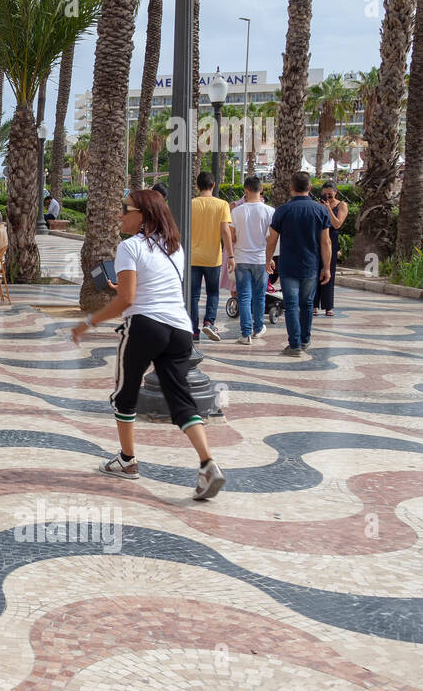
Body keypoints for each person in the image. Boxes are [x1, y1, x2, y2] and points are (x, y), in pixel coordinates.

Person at [71, 189, 226, 500]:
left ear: (142, 215)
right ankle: (208, 464)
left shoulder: (130, 247)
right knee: (181, 401)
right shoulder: (175, 247)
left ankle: (127, 461)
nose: (119, 215)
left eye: (124, 209)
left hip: (145, 326)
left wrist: (87, 323)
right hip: (181, 330)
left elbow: (127, 299)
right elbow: (151, 286)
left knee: (124, 395)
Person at [266, 171, 332, 357]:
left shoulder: (283, 211)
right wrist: (326, 267)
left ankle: (294, 344)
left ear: (291, 188)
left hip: (288, 266)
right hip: (311, 265)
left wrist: (268, 259)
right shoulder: (320, 210)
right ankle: (305, 340)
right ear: (310, 188)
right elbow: (326, 242)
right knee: (307, 304)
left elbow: (272, 239)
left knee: (291, 304)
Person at [189, 171, 234, 342]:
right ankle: (209, 322)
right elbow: (225, 231)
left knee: (193, 295)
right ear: (213, 185)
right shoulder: (222, 205)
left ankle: (194, 331)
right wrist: (230, 256)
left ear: (197, 186)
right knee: (212, 292)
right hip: (212, 257)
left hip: (193, 257)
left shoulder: (191, 204)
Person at [230, 176, 274, 346]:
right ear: (261, 189)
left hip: (241, 258)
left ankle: (245, 333)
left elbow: (232, 237)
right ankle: (258, 328)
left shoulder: (237, 211)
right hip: (261, 259)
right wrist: (270, 259)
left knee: (244, 296)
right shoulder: (270, 211)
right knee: (259, 296)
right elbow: (272, 239)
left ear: (246, 190)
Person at [314, 182, 348, 316]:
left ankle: (328, 306)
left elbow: (337, 224)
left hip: (332, 239)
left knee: (329, 271)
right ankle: (314, 305)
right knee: (315, 271)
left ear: (335, 192)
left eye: (330, 194)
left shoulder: (342, 205)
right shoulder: (318, 205)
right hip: (318, 240)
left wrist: (328, 209)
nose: (327, 197)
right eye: (325, 194)